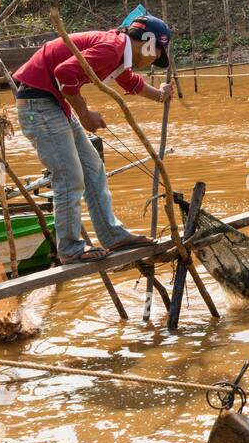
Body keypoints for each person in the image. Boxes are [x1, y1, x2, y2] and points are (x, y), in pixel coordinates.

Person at [13, 16, 174, 262]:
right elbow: (64, 72)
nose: (153, 60)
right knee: (69, 176)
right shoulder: (113, 48)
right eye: (156, 54)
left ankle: (113, 236)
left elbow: (129, 81)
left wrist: (160, 95)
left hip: (54, 104)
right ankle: (69, 249)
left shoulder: (119, 52)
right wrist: (85, 114)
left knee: (92, 168)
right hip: (39, 104)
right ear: (149, 42)